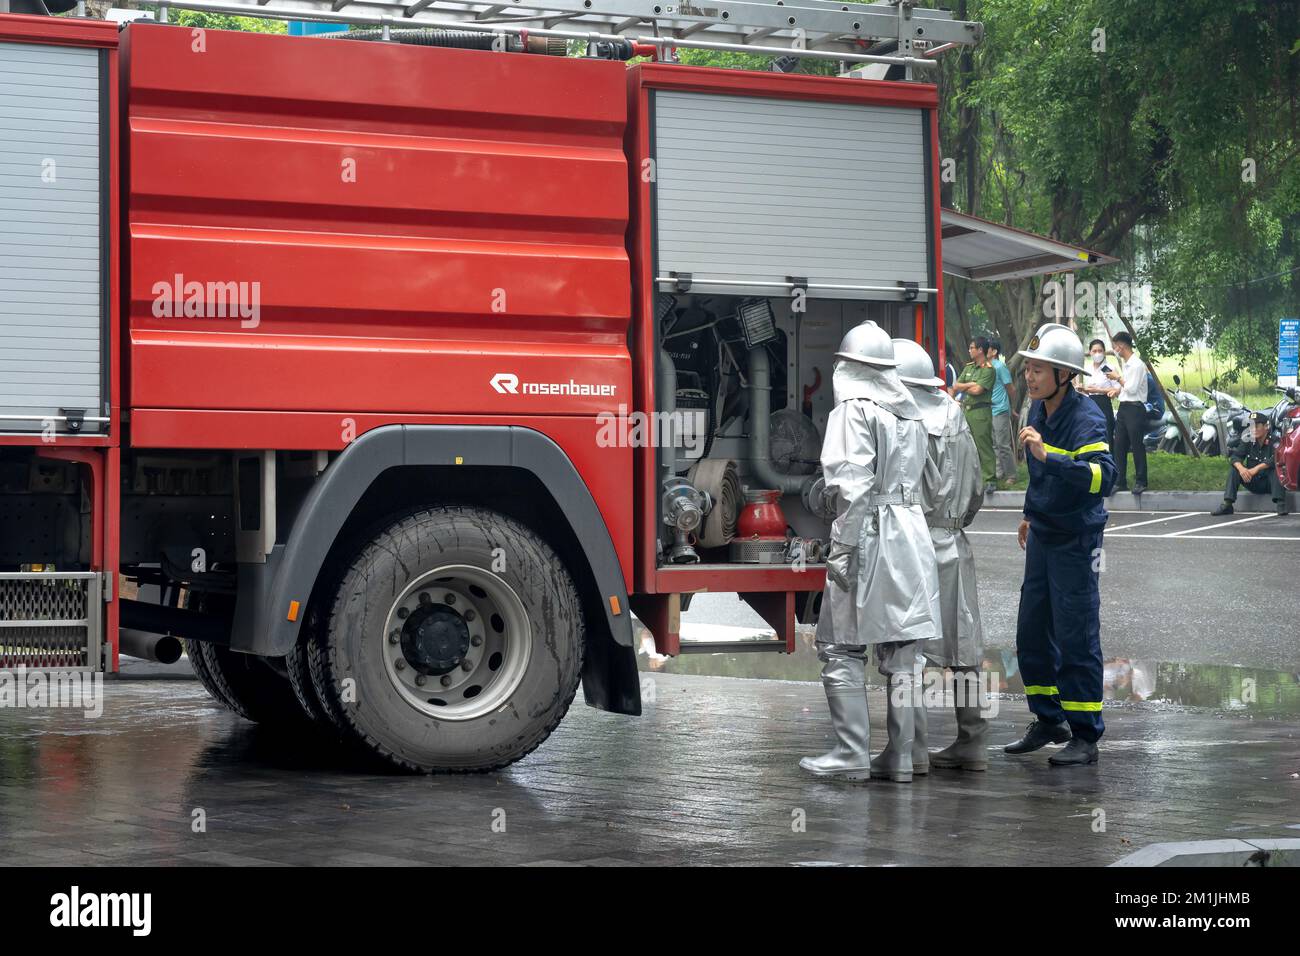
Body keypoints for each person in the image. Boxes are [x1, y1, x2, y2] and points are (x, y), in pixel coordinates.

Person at [801, 322, 941, 784]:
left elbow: (852, 487)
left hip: (870, 535)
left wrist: (841, 548)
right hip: (912, 533)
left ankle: (850, 753)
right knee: (904, 653)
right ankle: (901, 757)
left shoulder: (853, 411)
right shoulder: (911, 413)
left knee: (840, 645)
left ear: (850, 367)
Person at [1004, 323, 1117, 767]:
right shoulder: (1037, 411)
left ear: (1064, 374)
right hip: (1045, 535)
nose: (1029, 377)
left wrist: (1051, 455)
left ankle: (1085, 735)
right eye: (1028, 368)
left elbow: (1102, 478)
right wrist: (1031, 514)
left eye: (1037, 369)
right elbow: (1040, 475)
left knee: (1076, 636)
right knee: (1031, 633)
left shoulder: (1087, 416)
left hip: (1076, 540)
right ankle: (1049, 720)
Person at [893, 338, 989, 772]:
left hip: (915, 541)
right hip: (955, 539)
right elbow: (978, 489)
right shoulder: (955, 414)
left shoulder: (903, 418)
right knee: (963, 643)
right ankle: (973, 742)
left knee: (909, 649)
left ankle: (912, 750)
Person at [1211, 411, 1288, 516]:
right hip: (1253, 480)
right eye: (1251, 426)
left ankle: (1281, 505)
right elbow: (1235, 456)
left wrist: (1256, 469)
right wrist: (1242, 469)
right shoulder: (1247, 441)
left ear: (1266, 426)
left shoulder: (1275, 441)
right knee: (1235, 469)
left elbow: (1277, 459)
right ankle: (1227, 504)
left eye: (1257, 426)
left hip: (1270, 483)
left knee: (1276, 470)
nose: (1253, 429)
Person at [952, 336, 997, 495]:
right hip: (966, 410)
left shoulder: (989, 369)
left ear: (980, 350)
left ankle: (990, 479)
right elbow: (956, 385)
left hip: (980, 412)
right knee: (966, 446)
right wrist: (970, 385)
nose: (969, 350)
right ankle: (973, 480)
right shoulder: (969, 367)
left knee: (983, 446)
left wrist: (966, 387)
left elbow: (978, 391)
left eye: (972, 348)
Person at [1107, 330, 1148, 494]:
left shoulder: (1137, 364)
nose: (1115, 350)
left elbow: (1131, 388)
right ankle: (1120, 481)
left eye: (1115, 347)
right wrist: (1117, 391)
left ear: (1121, 346)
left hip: (1135, 408)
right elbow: (1126, 388)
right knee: (1119, 445)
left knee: (1136, 445)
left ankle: (1141, 481)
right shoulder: (1127, 364)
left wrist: (1117, 377)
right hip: (1124, 407)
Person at [987, 338, 1017, 488]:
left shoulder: (999, 367)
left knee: (1003, 445)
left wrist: (1012, 407)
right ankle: (999, 473)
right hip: (989, 410)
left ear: (994, 352)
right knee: (994, 444)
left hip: (1000, 410)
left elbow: (1011, 389)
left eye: (987, 348)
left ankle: (1011, 475)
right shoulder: (985, 367)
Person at [1077, 339, 1119, 448]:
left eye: (1100, 351)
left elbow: (1117, 389)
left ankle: (1110, 462)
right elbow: (1089, 390)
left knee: (1107, 436)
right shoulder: (1088, 368)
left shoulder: (1108, 368)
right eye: (1094, 351)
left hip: (1104, 404)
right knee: (1092, 437)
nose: (1097, 354)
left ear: (1104, 352)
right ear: (1090, 352)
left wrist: (1098, 390)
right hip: (1090, 404)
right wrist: (1084, 389)